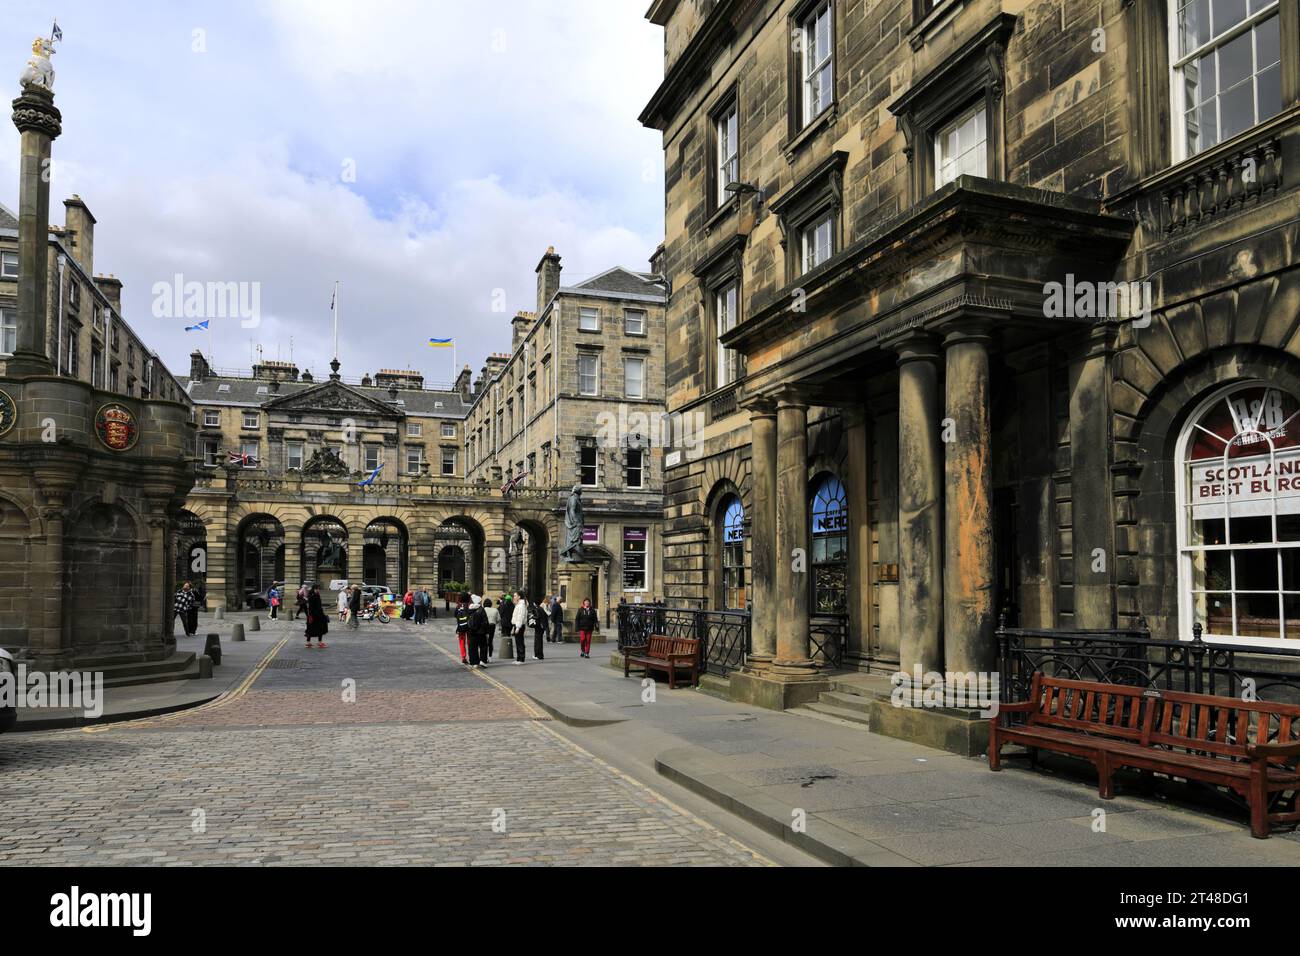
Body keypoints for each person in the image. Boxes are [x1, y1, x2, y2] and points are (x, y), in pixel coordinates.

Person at [468, 598, 490, 668]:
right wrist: (487, 631)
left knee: (473, 647)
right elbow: (485, 621)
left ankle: (474, 662)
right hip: (481, 632)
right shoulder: (481, 609)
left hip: (472, 632)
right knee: (483, 646)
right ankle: (483, 661)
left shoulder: (469, 609)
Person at [305, 584, 329, 649]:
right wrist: (313, 614)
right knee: (315, 628)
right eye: (317, 589)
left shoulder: (315, 595)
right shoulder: (313, 596)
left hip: (316, 614)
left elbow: (318, 606)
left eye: (318, 589)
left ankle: (311, 642)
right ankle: (317, 642)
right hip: (316, 615)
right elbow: (312, 607)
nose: (318, 590)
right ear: (314, 589)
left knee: (312, 628)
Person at [511, 591, 529, 664]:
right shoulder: (518, 605)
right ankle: (518, 658)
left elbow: (520, 617)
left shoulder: (521, 606)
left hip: (520, 625)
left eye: (515, 596)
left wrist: (518, 627)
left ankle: (521, 659)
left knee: (520, 642)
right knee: (518, 642)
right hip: (517, 625)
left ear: (519, 597)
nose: (514, 597)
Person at [455, 593, 471, 664]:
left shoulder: (458, 606)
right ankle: (471, 656)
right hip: (469, 626)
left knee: (462, 641)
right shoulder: (469, 605)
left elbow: (455, 614)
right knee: (470, 642)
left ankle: (463, 656)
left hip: (460, 626)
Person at [531, 595, 547, 661]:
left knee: (537, 641)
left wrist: (532, 616)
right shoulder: (541, 608)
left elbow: (538, 617)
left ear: (535, 603)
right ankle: (540, 655)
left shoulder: (537, 608)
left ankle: (538, 655)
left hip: (538, 627)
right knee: (539, 641)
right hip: (542, 626)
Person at [499, 593, 514, 659]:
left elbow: (501, 613)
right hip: (510, 621)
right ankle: (508, 646)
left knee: (504, 634)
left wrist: (501, 618)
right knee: (508, 634)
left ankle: (504, 649)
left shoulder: (503, 605)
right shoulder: (513, 605)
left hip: (504, 621)